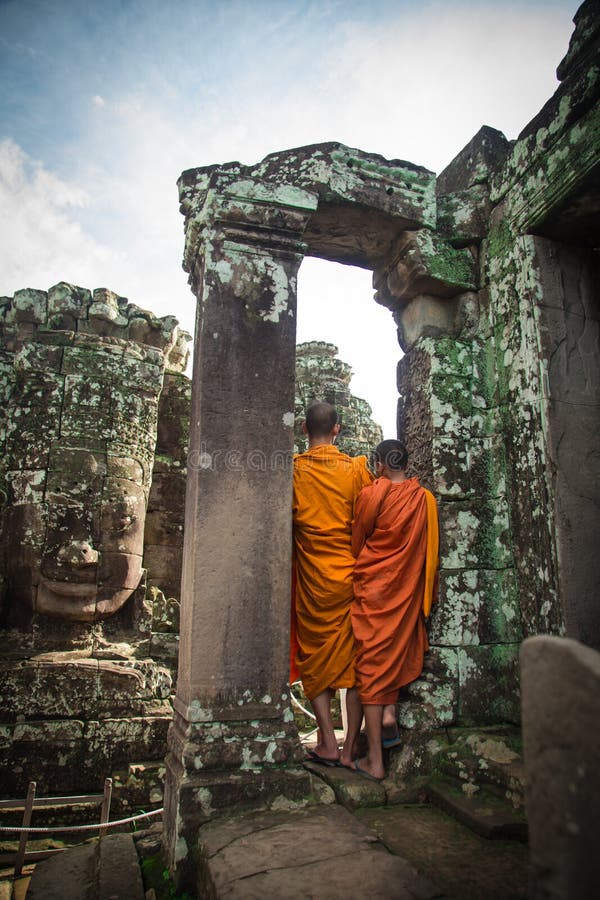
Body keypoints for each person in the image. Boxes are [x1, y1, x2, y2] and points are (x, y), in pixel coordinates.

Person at [349, 439, 439, 781]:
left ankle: (375, 762)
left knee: (370, 667)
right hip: (405, 590)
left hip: (373, 589)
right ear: (406, 462)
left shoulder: (372, 494)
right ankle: (389, 711)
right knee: (394, 650)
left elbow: (359, 541)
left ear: (380, 464)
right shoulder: (423, 499)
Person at [292, 401, 373, 765]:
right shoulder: (356, 470)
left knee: (315, 657)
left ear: (304, 430)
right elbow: (374, 517)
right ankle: (350, 744)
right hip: (350, 575)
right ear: (337, 429)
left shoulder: (293, 471)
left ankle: (326, 739)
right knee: (356, 661)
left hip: (312, 580)